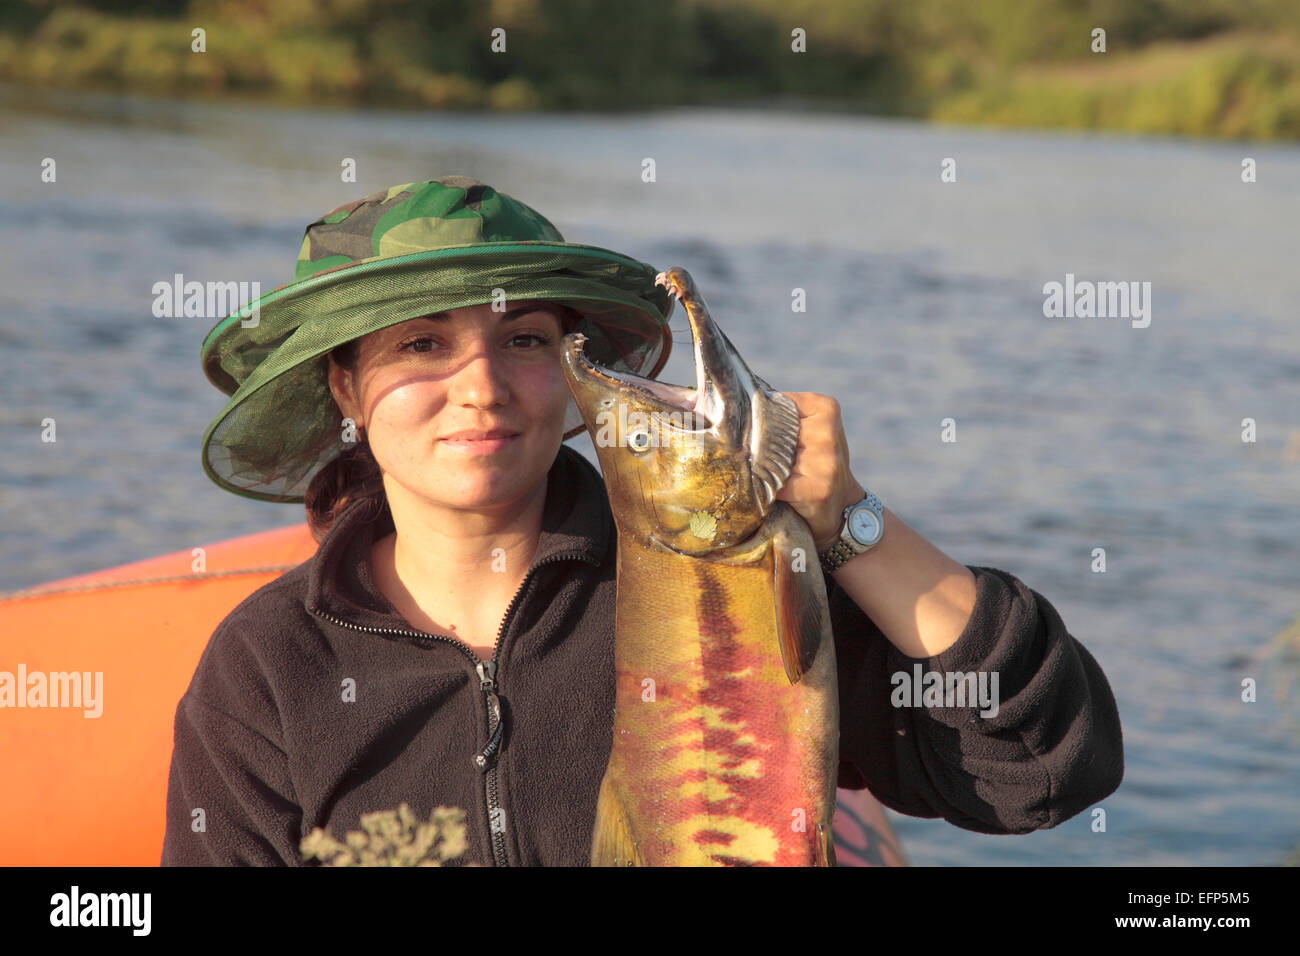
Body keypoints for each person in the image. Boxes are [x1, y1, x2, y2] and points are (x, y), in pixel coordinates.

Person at [162, 176, 1123, 866]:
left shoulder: (737, 588)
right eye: (423, 344)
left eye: (525, 340)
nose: (484, 388)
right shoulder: (268, 667)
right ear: (346, 387)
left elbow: (1042, 767)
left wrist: (850, 521)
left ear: (572, 376)